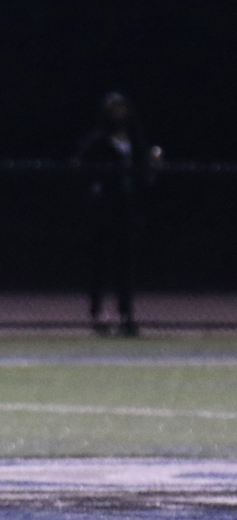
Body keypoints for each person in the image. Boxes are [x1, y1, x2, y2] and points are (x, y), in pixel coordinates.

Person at [79, 92, 156, 337]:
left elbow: (144, 176)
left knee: (126, 266)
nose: (118, 114)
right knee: (99, 264)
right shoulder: (97, 141)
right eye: (114, 109)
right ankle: (97, 315)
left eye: (122, 108)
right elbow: (83, 170)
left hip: (128, 210)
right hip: (102, 211)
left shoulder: (135, 139)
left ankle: (126, 316)